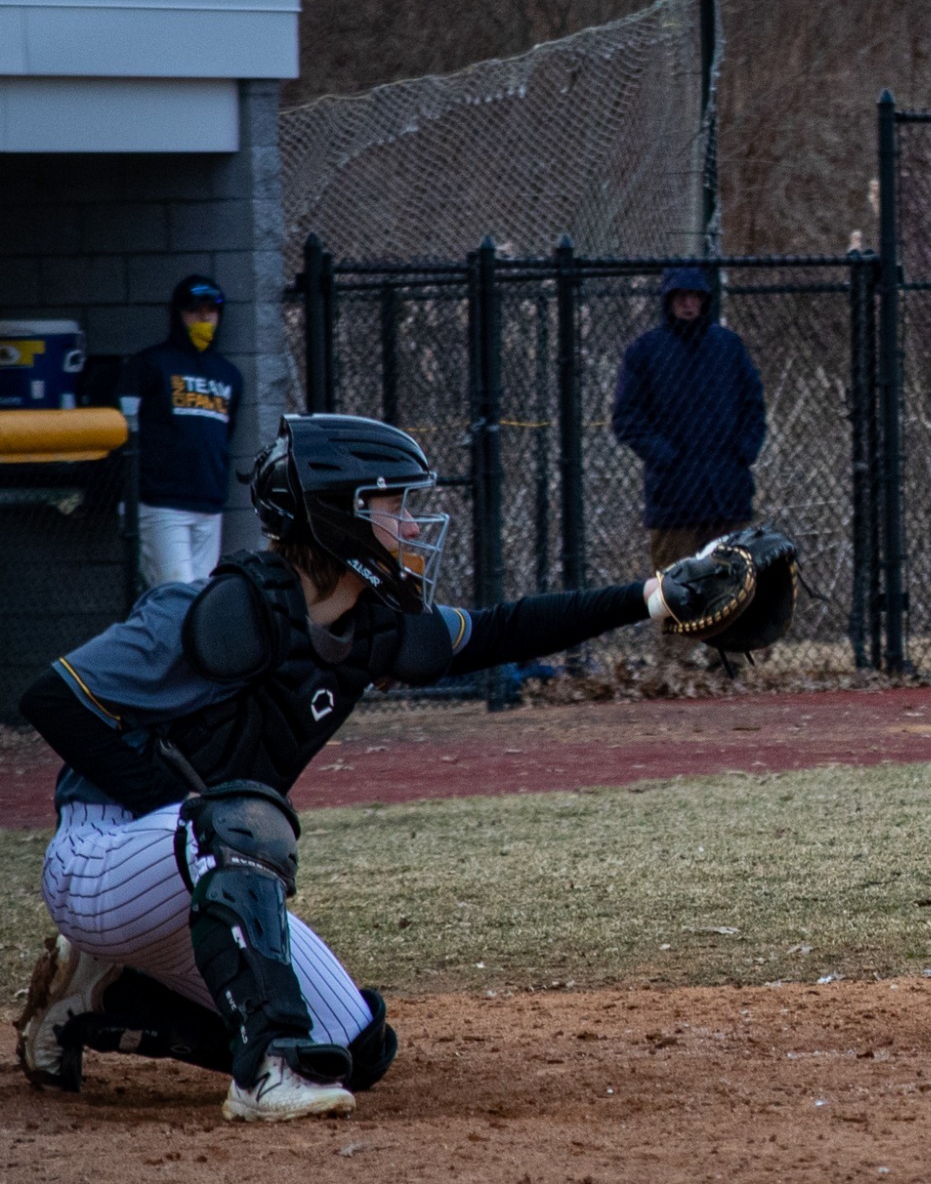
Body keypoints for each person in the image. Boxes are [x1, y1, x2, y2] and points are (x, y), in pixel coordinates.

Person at [11, 413, 754, 1121]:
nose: (410, 527)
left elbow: (500, 630)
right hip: (102, 858)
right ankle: (268, 1074)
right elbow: (53, 698)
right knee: (239, 819)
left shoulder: (367, 628)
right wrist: (171, 803)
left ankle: (96, 1006)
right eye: (392, 507)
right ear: (338, 514)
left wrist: (652, 596)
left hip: (202, 871)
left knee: (356, 1051)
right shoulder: (213, 611)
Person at [612, 268, 767, 664]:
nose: (687, 303)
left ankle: (729, 661)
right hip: (674, 493)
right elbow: (627, 418)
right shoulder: (646, 352)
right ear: (668, 301)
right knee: (674, 580)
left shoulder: (727, 348)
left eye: (694, 296)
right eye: (679, 296)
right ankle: (676, 664)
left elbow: (753, 404)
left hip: (725, 488)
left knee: (732, 577)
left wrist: (742, 452)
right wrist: (666, 457)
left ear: (705, 301)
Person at [122, 275, 243, 588]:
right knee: (177, 599)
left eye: (210, 310)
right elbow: (124, 429)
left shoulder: (229, 375)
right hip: (161, 504)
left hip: (209, 505)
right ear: (178, 314)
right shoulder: (150, 364)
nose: (203, 317)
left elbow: (225, 434)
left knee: (202, 603)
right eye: (194, 310)